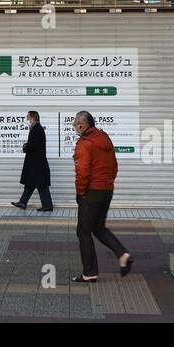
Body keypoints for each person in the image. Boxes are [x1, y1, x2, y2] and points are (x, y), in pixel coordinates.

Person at [70, 110, 132, 283]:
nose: (74, 126)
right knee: (98, 228)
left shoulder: (85, 143)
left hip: (91, 192)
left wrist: (80, 192)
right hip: (106, 190)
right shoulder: (105, 139)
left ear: (82, 125)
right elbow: (114, 166)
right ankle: (123, 254)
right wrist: (108, 182)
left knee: (83, 231)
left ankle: (89, 273)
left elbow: (82, 172)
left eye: (75, 123)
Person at [11, 111, 54, 211]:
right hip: (36, 163)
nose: (27, 120)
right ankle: (23, 202)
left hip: (36, 164)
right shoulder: (37, 128)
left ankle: (47, 206)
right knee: (31, 184)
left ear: (33, 117)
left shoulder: (36, 129)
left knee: (40, 185)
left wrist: (25, 147)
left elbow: (31, 146)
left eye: (28, 117)